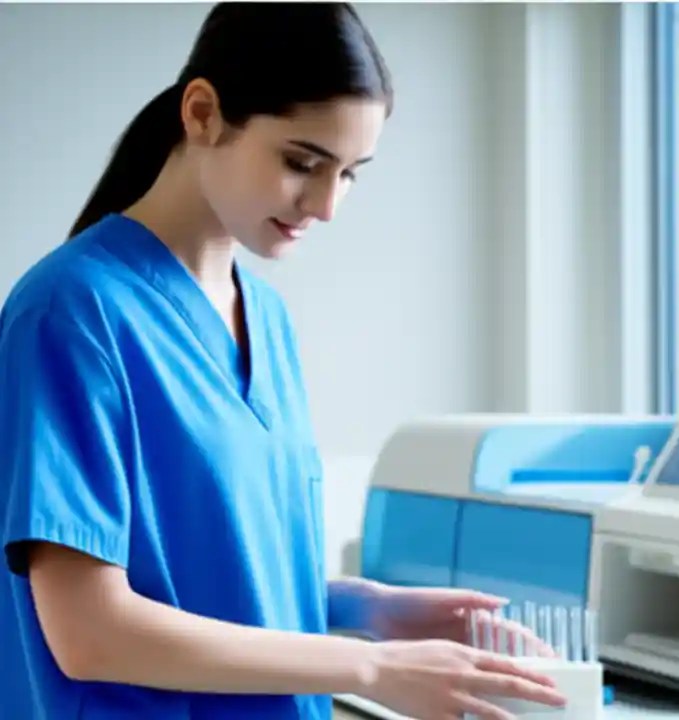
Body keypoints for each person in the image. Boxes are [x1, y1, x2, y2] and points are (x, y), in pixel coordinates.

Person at [0, 3, 566, 719]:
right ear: (203, 113)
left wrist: (370, 610)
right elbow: (90, 632)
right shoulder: (71, 313)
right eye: (303, 163)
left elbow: (215, 576)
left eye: (352, 173)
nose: (328, 205)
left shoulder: (266, 320)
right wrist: (368, 664)